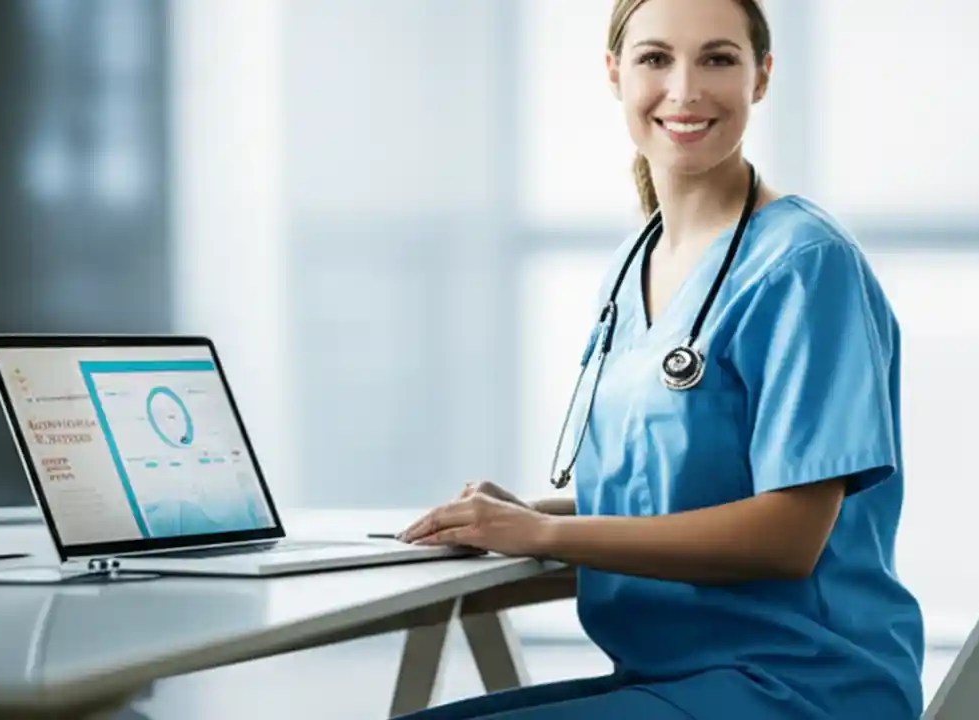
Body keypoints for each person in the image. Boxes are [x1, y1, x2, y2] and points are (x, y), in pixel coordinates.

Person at [394, 0, 924, 717]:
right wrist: (521, 515)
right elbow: (682, 494)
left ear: (761, 77)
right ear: (614, 74)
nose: (685, 89)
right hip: (670, 676)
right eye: (654, 58)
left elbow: (788, 537)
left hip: (803, 686)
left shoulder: (804, 264)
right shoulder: (636, 262)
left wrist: (548, 534)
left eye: (717, 58)